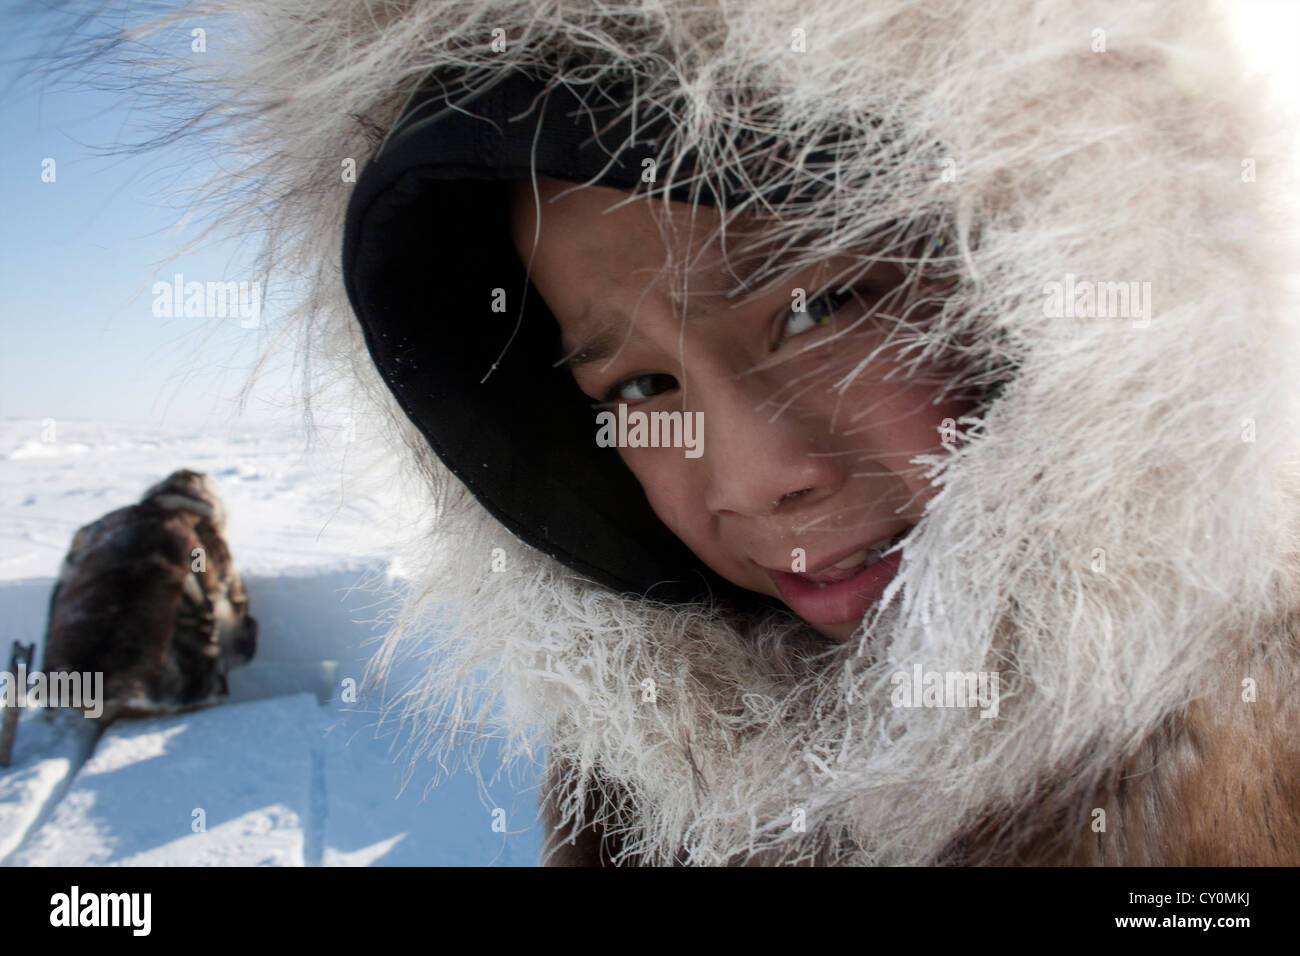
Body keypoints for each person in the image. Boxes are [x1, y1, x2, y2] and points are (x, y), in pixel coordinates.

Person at [121, 0, 1300, 864]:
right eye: (638, 389)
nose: (755, 477)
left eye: (816, 304)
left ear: (1046, 264)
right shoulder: (642, 789)